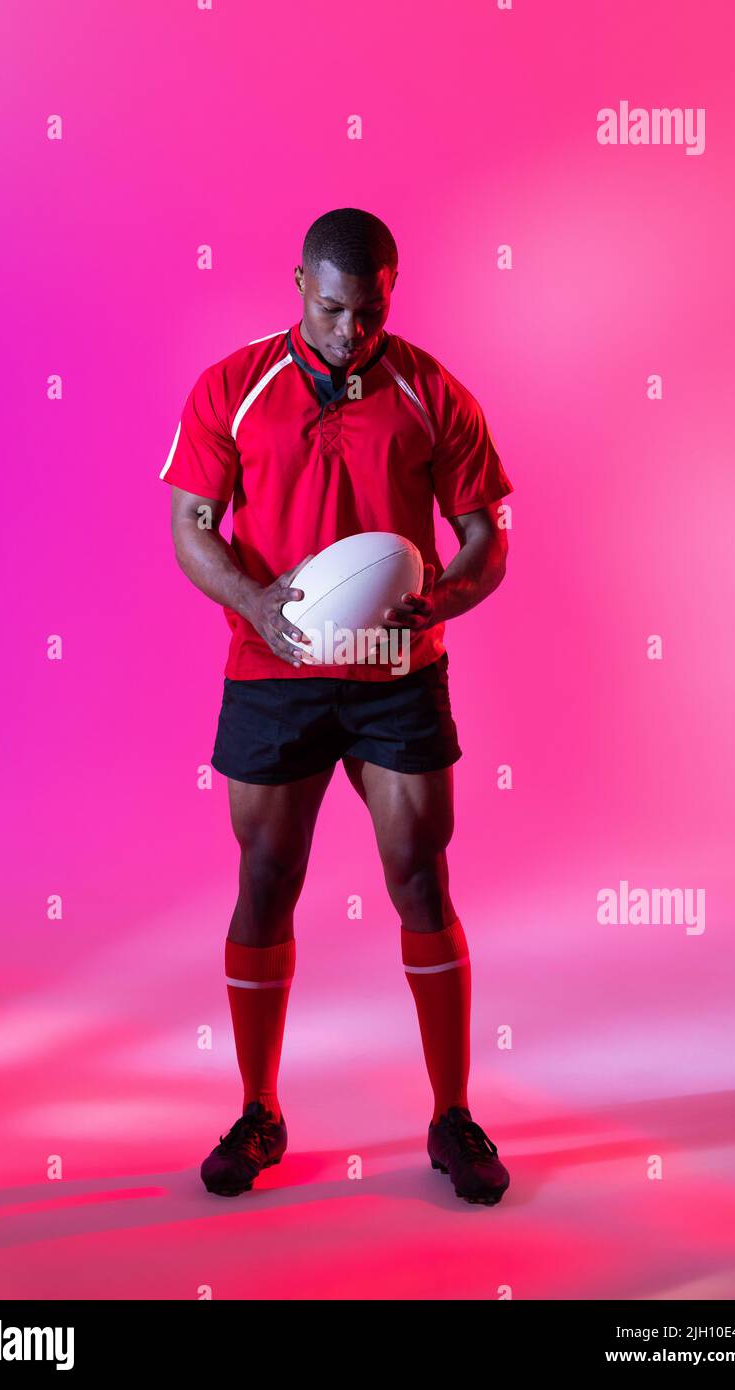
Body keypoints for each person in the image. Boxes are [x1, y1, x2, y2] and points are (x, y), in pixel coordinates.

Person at [160, 208, 513, 1205]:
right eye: (330, 308)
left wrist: (438, 598)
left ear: (390, 295)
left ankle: (450, 1116)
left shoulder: (430, 389)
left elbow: (487, 533)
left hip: (398, 671)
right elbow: (191, 526)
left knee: (419, 878)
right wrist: (255, 604)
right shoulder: (235, 385)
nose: (349, 331)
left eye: (368, 311)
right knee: (266, 878)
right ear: (297, 284)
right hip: (274, 670)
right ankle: (259, 1109)